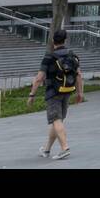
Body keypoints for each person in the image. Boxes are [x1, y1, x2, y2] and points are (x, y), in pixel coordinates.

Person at [31, 29, 84, 160]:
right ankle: (46, 150)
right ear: (65, 40)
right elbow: (79, 75)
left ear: (53, 41)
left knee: (56, 120)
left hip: (53, 92)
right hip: (67, 91)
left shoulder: (49, 57)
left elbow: (39, 78)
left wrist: (32, 94)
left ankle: (65, 148)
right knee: (57, 121)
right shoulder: (73, 56)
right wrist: (80, 93)